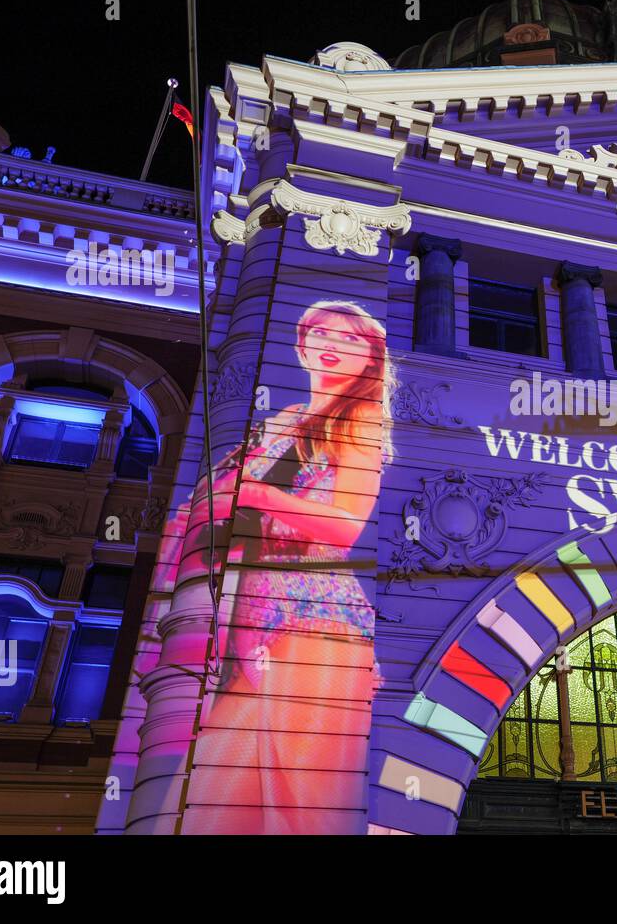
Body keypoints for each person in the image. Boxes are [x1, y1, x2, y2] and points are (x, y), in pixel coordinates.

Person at [186, 299, 390, 834]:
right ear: (301, 347)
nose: (330, 344)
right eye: (320, 332)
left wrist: (256, 496)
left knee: (293, 797)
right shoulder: (282, 422)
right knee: (223, 794)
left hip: (315, 621)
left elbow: (346, 526)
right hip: (250, 616)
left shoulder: (359, 418)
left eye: (349, 338)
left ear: (372, 357)